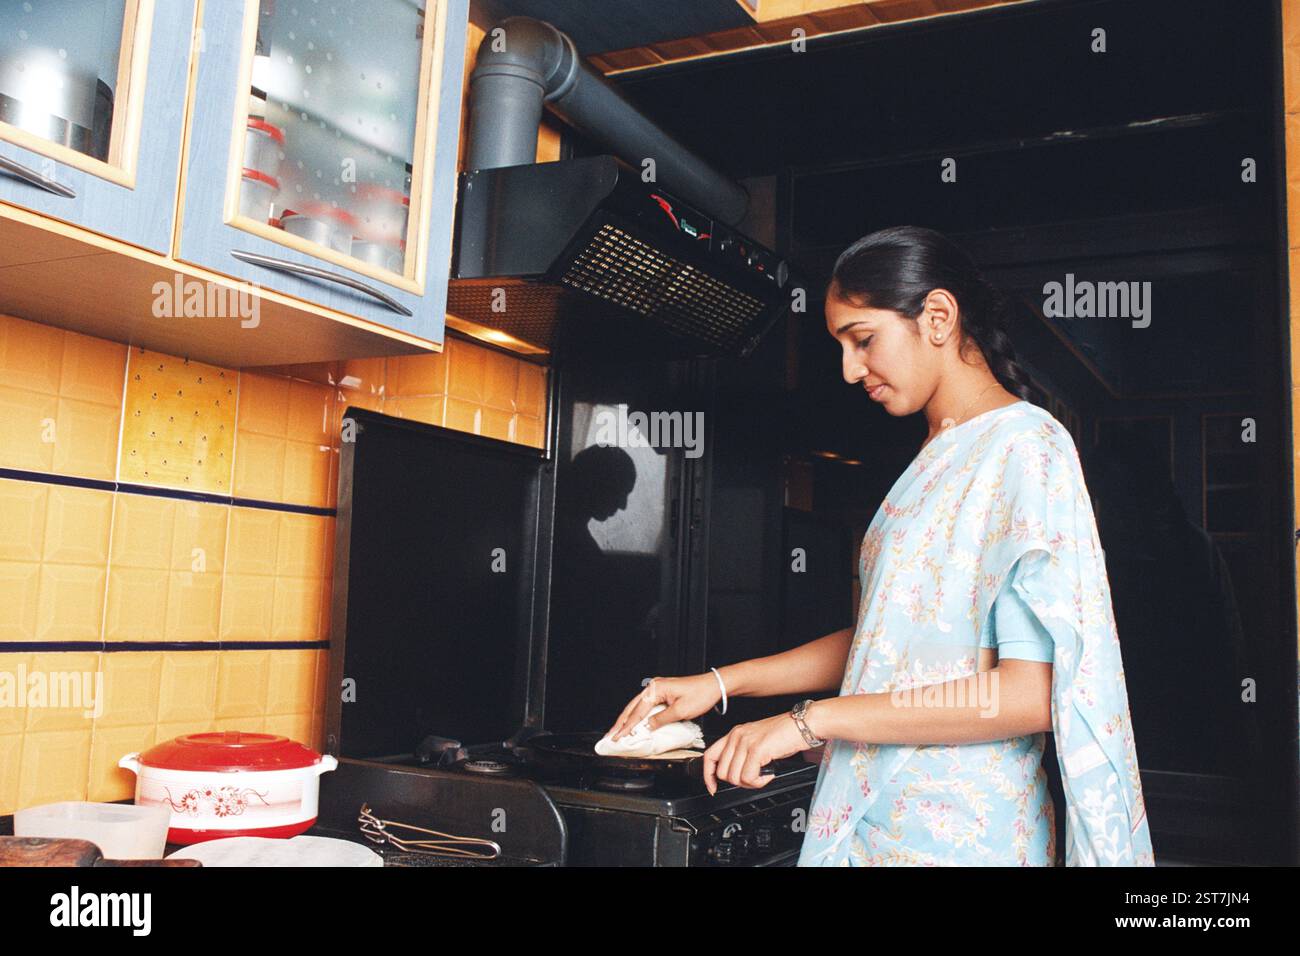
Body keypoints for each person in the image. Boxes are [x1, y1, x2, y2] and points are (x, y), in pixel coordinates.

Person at [605, 225, 1154, 867]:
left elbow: (1030, 695)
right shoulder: (929, 459)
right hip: (875, 819)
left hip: (965, 837)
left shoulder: (1026, 450)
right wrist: (720, 684)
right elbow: (882, 643)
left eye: (863, 340)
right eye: (842, 346)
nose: (849, 369)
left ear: (939, 317)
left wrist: (808, 723)